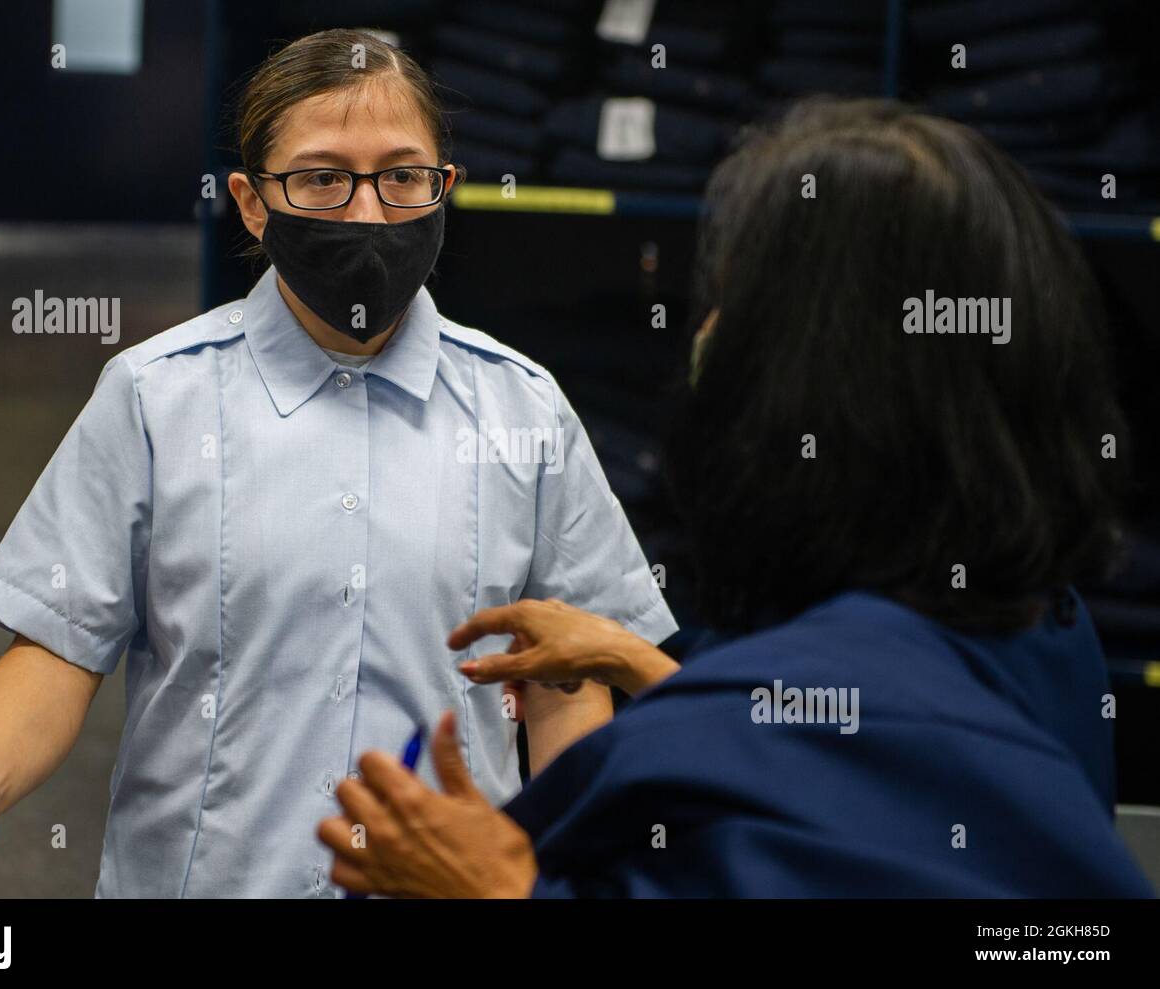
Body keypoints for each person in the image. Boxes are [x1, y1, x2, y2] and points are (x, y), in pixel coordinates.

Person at [0, 29, 675, 897]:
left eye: (403, 176)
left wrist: (561, 873)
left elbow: (566, 682)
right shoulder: (155, 399)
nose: (369, 212)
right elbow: (61, 644)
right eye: (323, 178)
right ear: (254, 202)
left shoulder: (522, 409)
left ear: (443, 188)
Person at [316, 99, 1155, 898]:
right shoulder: (1049, 629)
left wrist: (498, 888)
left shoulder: (728, 757)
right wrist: (645, 664)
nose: (705, 333)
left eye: (734, 305)